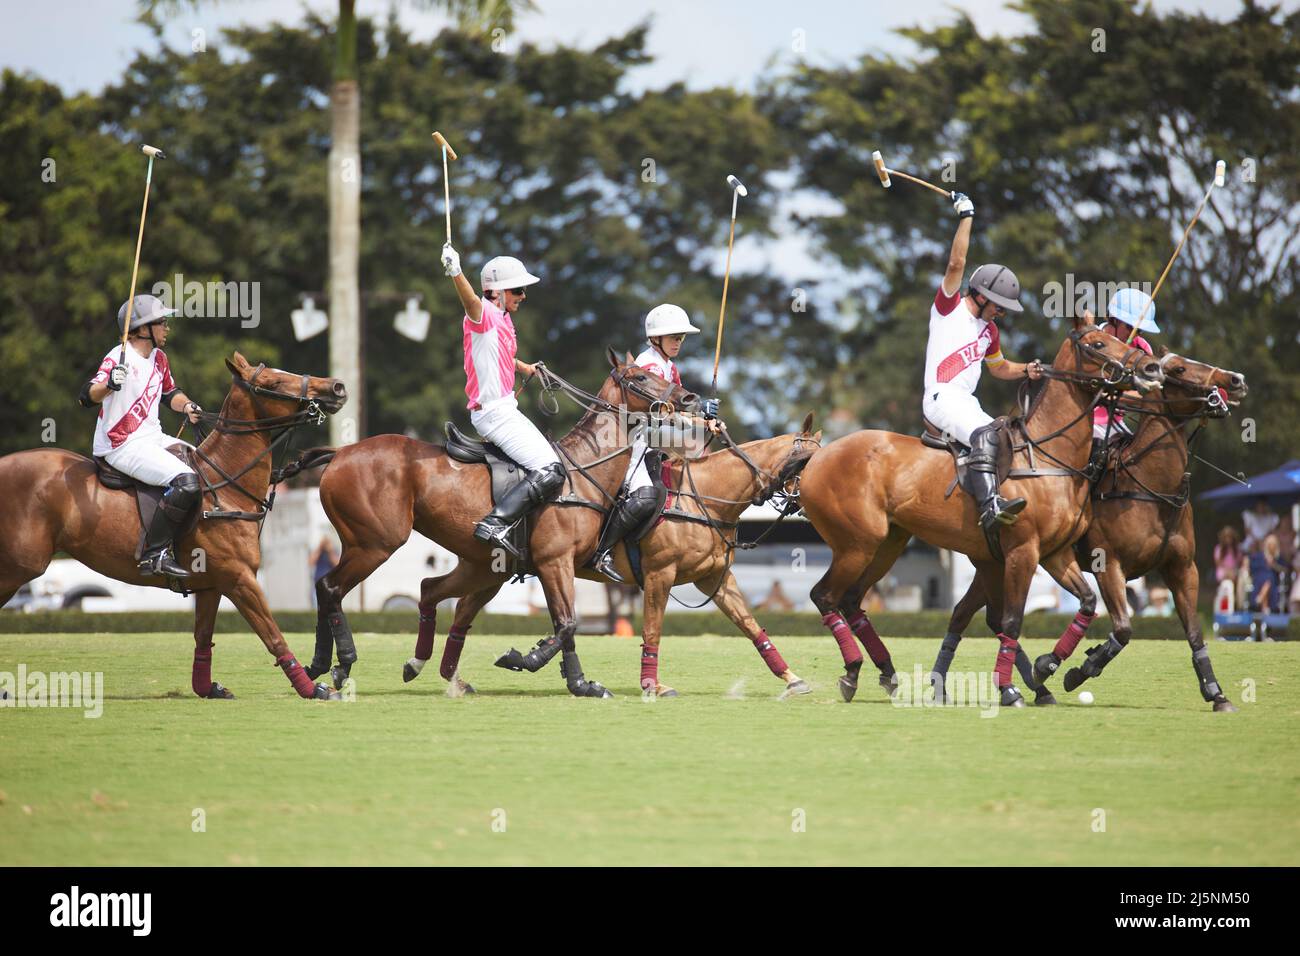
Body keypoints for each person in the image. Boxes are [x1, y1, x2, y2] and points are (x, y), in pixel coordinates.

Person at [923, 191, 1043, 531]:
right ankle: (990, 509)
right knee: (986, 436)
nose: (1002, 312)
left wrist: (1027, 370)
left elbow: (999, 368)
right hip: (940, 397)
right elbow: (956, 265)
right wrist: (967, 217)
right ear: (981, 294)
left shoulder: (989, 332)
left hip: (966, 401)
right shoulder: (949, 308)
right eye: (999, 305)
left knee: (1004, 439)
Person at [440, 241, 564, 557]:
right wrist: (456, 272)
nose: (524, 296)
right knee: (551, 469)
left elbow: (503, 352)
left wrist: (525, 367)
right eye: (518, 290)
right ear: (497, 292)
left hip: (505, 408)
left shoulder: (504, 318)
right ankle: (495, 523)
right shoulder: (482, 315)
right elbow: (470, 303)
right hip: (494, 413)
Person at [589, 304, 720, 583]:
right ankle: (601, 552)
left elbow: (678, 410)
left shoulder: (668, 366)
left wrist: (706, 419)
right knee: (644, 496)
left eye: (681, 337)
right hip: (637, 441)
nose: (678, 342)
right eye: (673, 337)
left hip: (655, 442)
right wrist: (699, 419)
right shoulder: (648, 366)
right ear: (656, 338)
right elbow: (660, 417)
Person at [79, 294, 204, 578]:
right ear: (142, 328)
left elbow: (170, 394)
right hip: (120, 443)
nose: (167, 327)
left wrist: (187, 406)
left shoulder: (160, 358)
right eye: (162, 322)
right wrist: (109, 385)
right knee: (187, 481)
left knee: (204, 465)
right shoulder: (119, 356)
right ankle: (153, 554)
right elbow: (86, 396)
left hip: (152, 437)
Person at [1090, 288, 1157, 472]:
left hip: (1117, 422)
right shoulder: (1092, 340)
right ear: (1114, 319)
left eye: (1140, 330)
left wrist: (1123, 395)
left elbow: (1150, 392)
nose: (1135, 334)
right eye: (1131, 327)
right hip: (1086, 417)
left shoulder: (1141, 347)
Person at [1248, 534, 1286, 613]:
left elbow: (1285, 570)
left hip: (1273, 582)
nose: (1271, 546)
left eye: (1273, 544)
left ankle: (1259, 600)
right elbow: (1253, 569)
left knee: (1269, 579)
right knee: (1267, 580)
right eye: (1269, 544)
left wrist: (1274, 565)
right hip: (1259, 580)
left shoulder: (1279, 558)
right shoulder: (1259, 556)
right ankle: (1265, 609)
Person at [308, 536, 339, 608]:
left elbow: (336, 564)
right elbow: (310, 562)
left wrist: (330, 551)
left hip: (331, 586)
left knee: (331, 609)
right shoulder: (318, 551)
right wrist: (320, 548)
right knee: (316, 608)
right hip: (318, 585)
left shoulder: (334, 550)